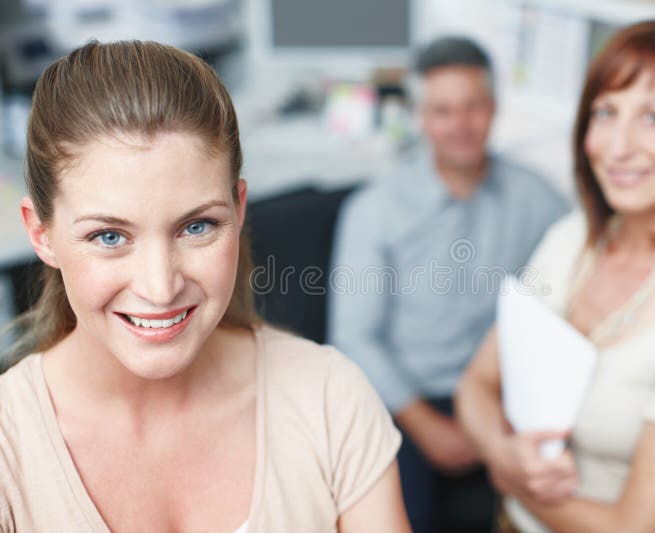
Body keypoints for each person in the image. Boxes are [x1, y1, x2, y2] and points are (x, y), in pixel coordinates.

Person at [0, 40, 410, 533]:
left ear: (238, 210)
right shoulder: (10, 446)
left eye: (196, 227)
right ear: (41, 234)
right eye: (108, 236)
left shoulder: (330, 401)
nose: (160, 287)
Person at [455, 20, 655, 533]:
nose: (617, 147)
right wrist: (503, 451)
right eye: (606, 112)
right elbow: (476, 384)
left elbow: (633, 527)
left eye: (654, 118)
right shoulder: (572, 239)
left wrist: (508, 474)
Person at [328, 36, 567, 532]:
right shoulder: (375, 209)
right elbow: (354, 337)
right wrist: (427, 426)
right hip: (405, 399)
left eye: (473, 106)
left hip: (502, 395)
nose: (460, 125)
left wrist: (496, 416)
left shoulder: (539, 198)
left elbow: (566, 303)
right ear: (420, 116)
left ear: (494, 108)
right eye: (442, 110)